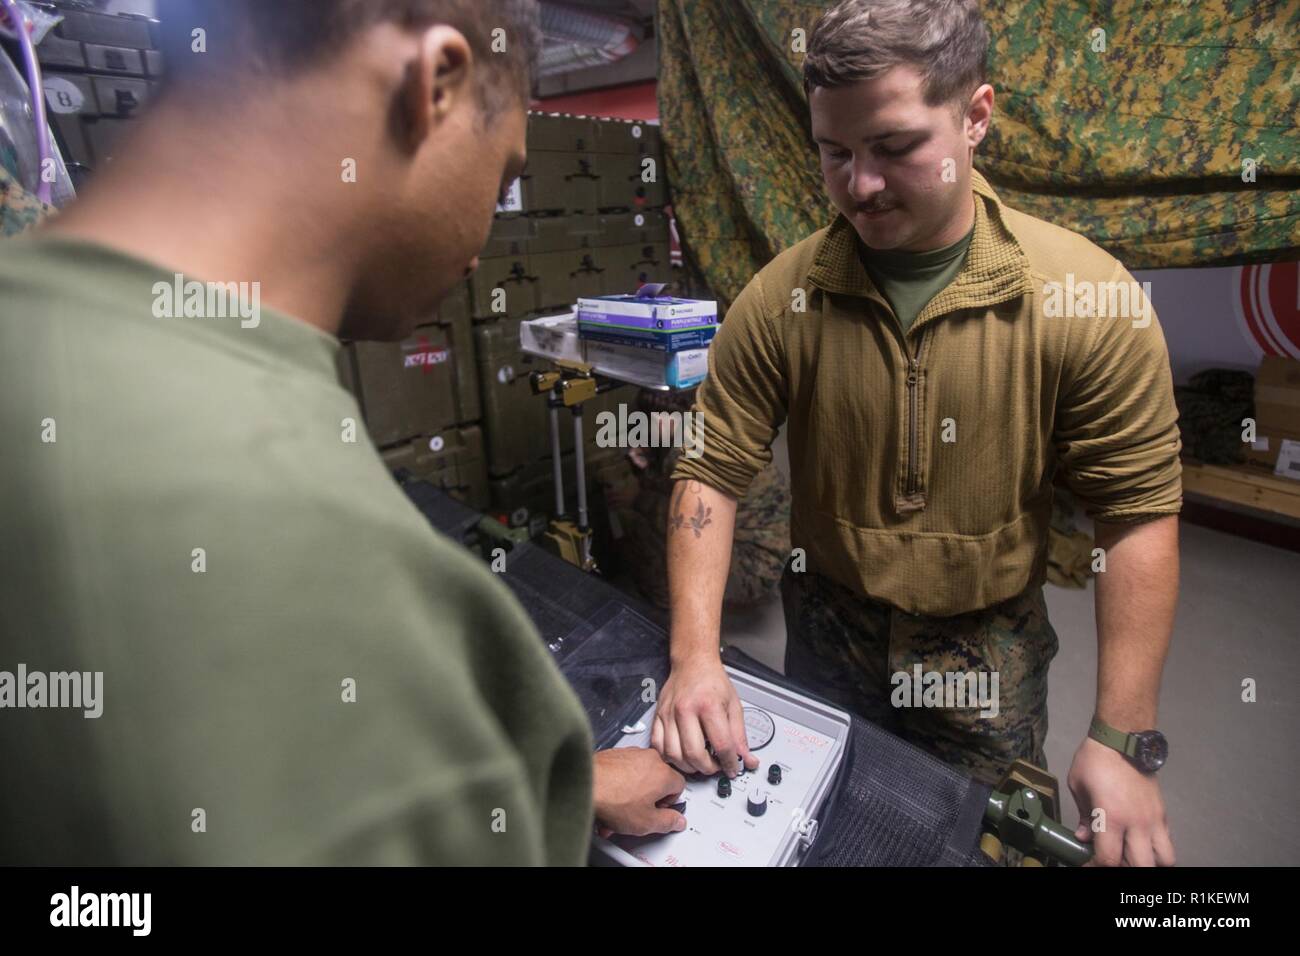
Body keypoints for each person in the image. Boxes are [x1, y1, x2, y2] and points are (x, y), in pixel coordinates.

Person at [0, 0, 684, 865]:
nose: (485, 235)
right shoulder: (307, 536)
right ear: (434, 84)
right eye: (501, 175)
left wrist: (561, 785)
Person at [656, 0, 1180, 867]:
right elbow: (710, 471)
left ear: (976, 117)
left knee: (975, 846)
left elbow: (1137, 515)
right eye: (834, 152)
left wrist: (1123, 740)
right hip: (828, 631)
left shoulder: (1085, 300)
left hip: (985, 655)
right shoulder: (783, 299)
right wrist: (695, 657)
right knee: (824, 831)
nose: (859, 184)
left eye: (894, 147)